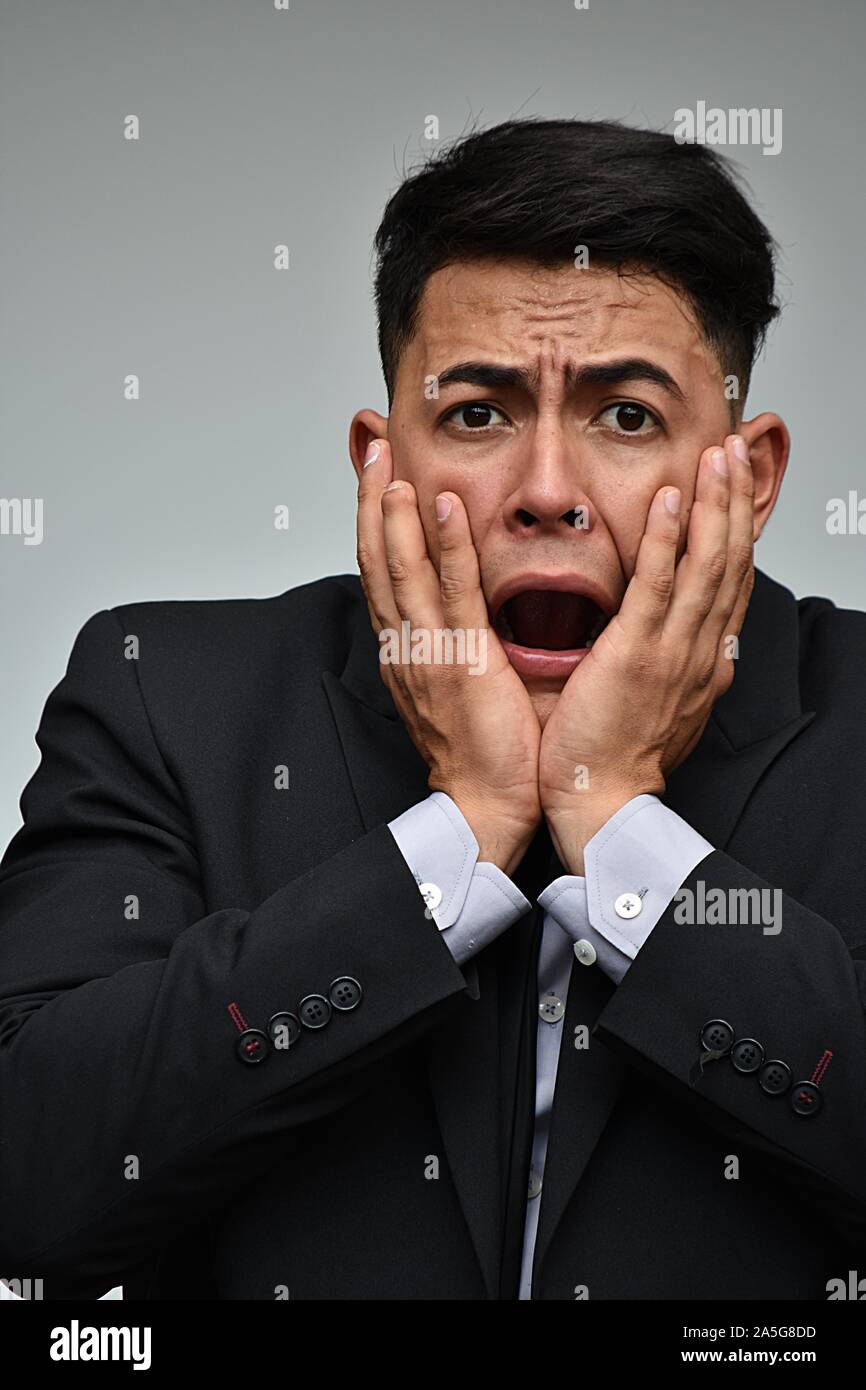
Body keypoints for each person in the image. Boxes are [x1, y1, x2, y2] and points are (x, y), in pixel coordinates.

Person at [1, 118, 864, 1301]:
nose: (546, 492)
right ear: (379, 461)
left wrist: (616, 824)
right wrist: (461, 828)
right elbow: (28, 1178)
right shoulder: (167, 694)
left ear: (746, 474)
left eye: (624, 416)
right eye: (476, 414)